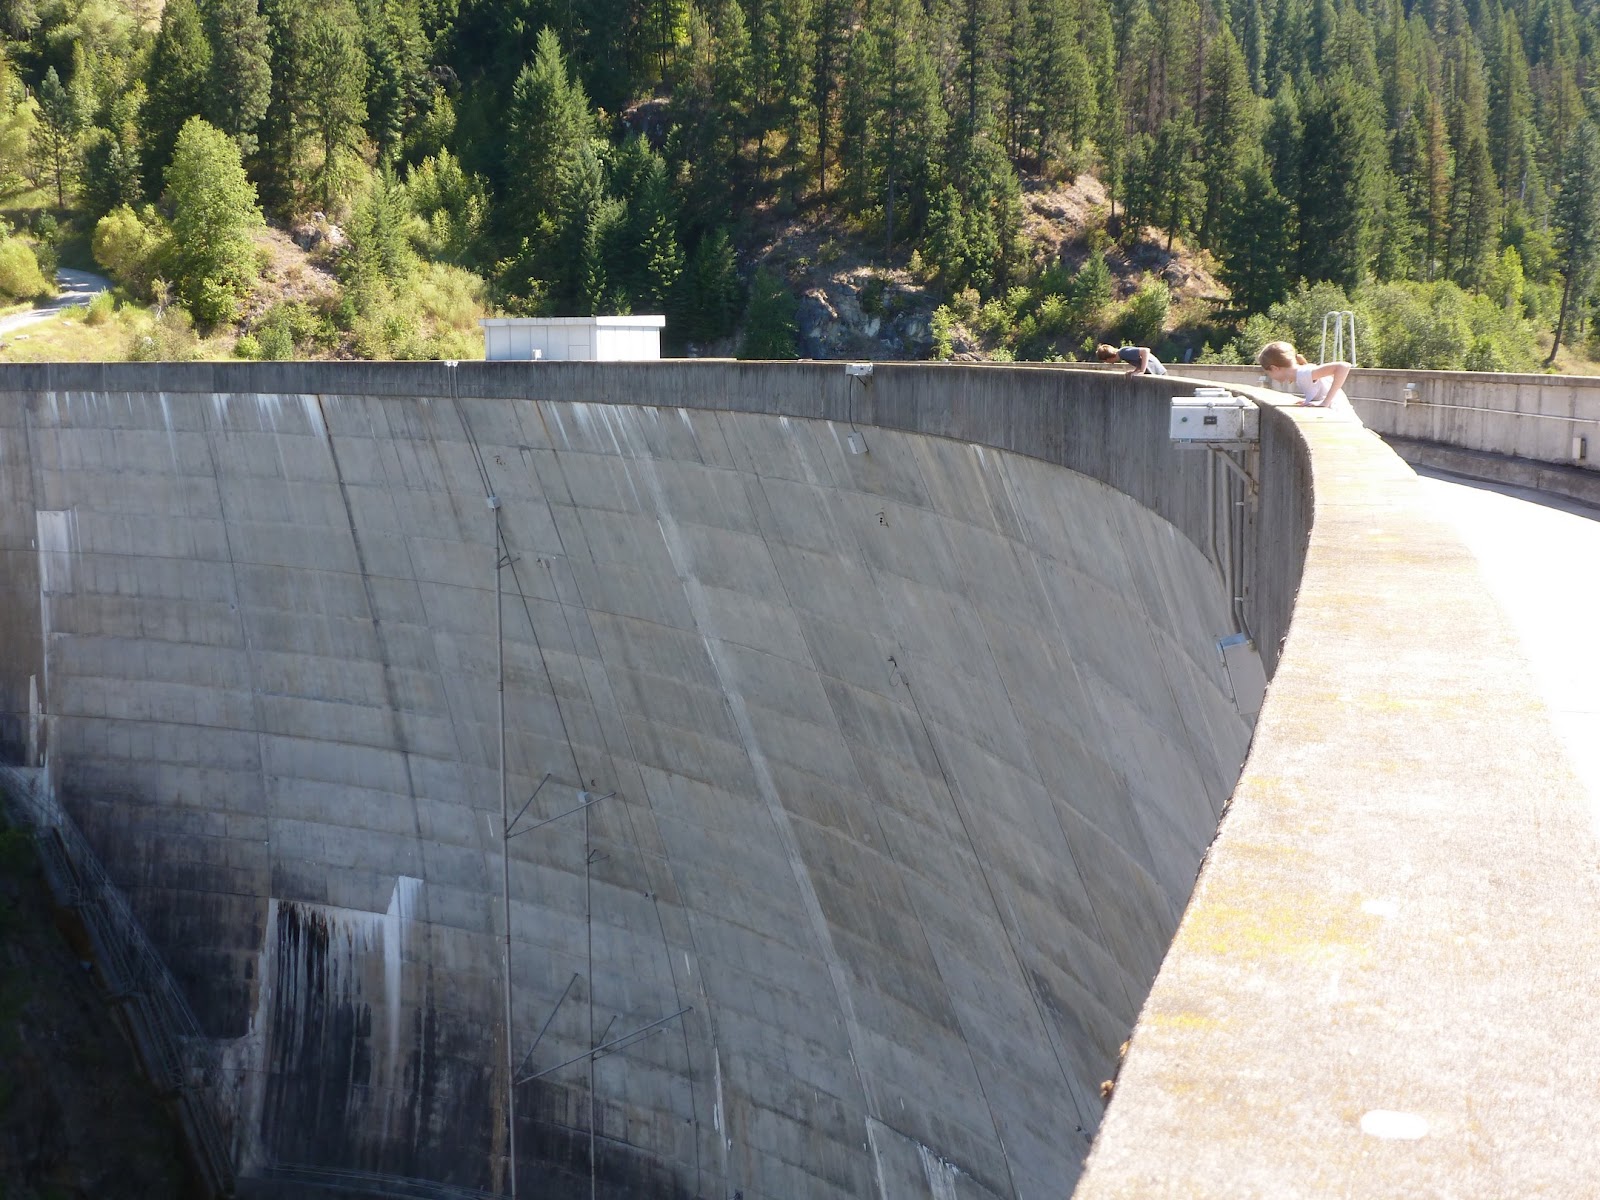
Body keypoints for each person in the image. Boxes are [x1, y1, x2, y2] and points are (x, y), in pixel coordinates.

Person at [1256, 341, 1351, 410]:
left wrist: (1326, 402)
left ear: (1274, 368)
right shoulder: (1302, 374)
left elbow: (1343, 366)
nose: (1270, 377)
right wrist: (1309, 400)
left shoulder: (1303, 374)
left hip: (1340, 415)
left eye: (1268, 373)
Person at [1096, 343, 1168, 376]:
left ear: (1109, 358)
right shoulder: (1123, 355)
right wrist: (1136, 371)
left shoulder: (1123, 353)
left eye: (1106, 361)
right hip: (1157, 372)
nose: (1108, 363)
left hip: (1159, 372)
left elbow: (1145, 351)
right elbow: (1139, 359)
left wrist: (1142, 371)